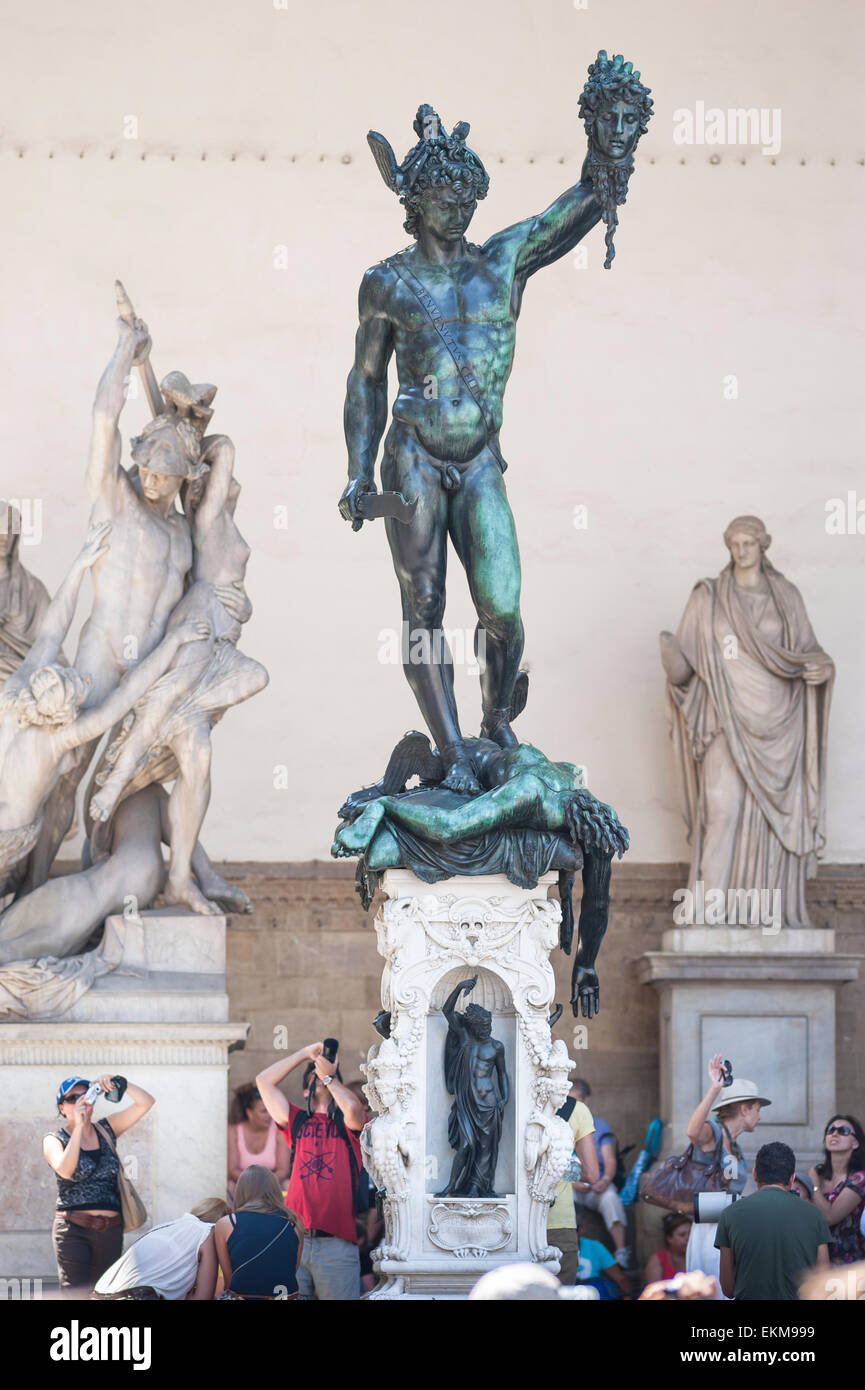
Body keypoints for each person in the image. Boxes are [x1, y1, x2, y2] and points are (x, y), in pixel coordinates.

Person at [256, 1041, 365, 1300]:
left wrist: (327, 1076)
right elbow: (263, 1081)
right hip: (294, 1240)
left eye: (325, 1079)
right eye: (313, 1078)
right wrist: (304, 1053)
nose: (319, 1081)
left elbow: (353, 1108)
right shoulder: (296, 1120)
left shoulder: (348, 1122)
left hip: (337, 1242)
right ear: (305, 1090)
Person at [43, 1074, 155, 1292]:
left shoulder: (106, 1129)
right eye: (72, 1098)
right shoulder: (54, 1139)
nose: (79, 1101)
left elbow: (146, 1102)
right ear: (62, 1107)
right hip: (73, 1229)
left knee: (105, 1293)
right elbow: (65, 1170)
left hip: (110, 1230)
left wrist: (119, 1083)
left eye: (84, 1095)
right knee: (76, 1294)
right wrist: (79, 1127)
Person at [684, 1055, 770, 1286]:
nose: (759, 1116)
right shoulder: (714, 1133)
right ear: (744, 1109)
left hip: (727, 1230)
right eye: (757, 1109)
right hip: (709, 1231)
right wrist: (714, 1089)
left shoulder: (735, 1145)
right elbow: (692, 1132)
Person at [715, 1141, 830, 1300]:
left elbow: (728, 1289)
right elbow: (823, 1281)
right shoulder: (815, 1215)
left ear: (755, 1175)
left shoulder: (729, 1215)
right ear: (791, 1179)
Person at [92, 1198, 229, 1300]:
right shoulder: (208, 1232)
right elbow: (202, 1298)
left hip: (99, 1292)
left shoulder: (165, 1227)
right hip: (136, 1296)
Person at [213, 1167, 302, 1301]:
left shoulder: (226, 1224)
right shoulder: (294, 1225)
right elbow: (289, 1272)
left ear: (241, 1190)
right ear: (275, 1190)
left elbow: (229, 1280)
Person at [570, 1077, 630, 1268]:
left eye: (575, 1100)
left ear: (586, 1100)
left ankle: (621, 1253)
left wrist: (604, 1181)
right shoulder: (560, 1123)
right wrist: (573, 1182)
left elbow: (609, 1159)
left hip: (597, 1185)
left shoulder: (600, 1125)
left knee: (611, 1198)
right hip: (570, 1183)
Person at [547, 1079, 599, 1283]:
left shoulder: (502, 1101)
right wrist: (559, 1170)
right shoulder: (575, 1109)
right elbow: (591, 1174)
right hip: (557, 1221)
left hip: (508, 1221)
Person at [807, 1114, 865, 1264]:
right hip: (815, 1262)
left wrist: (814, 1185)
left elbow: (830, 1217)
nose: (834, 1133)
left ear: (855, 1143)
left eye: (843, 1131)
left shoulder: (860, 1178)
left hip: (848, 1265)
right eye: (830, 1130)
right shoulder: (818, 1173)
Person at [227, 1084, 289, 1201]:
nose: (269, 1115)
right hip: (242, 1185)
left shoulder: (279, 1130)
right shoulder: (233, 1130)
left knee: (288, 1185)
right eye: (264, 1111)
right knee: (229, 1186)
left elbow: (283, 1170)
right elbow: (232, 1170)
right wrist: (252, 1186)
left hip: (272, 1185)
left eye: (271, 1110)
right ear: (249, 1113)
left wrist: (265, 1184)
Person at [574, 1215, 632, 1300]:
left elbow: (620, 1279)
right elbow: (620, 1278)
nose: (569, 1234)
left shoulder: (595, 1246)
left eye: (573, 1229)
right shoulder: (594, 1246)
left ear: (581, 1228)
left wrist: (627, 1295)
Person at [643, 1212, 692, 1288]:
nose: (688, 1238)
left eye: (691, 1234)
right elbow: (654, 1292)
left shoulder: (696, 1256)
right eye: (682, 1235)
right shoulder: (657, 1260)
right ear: (669, 1238)